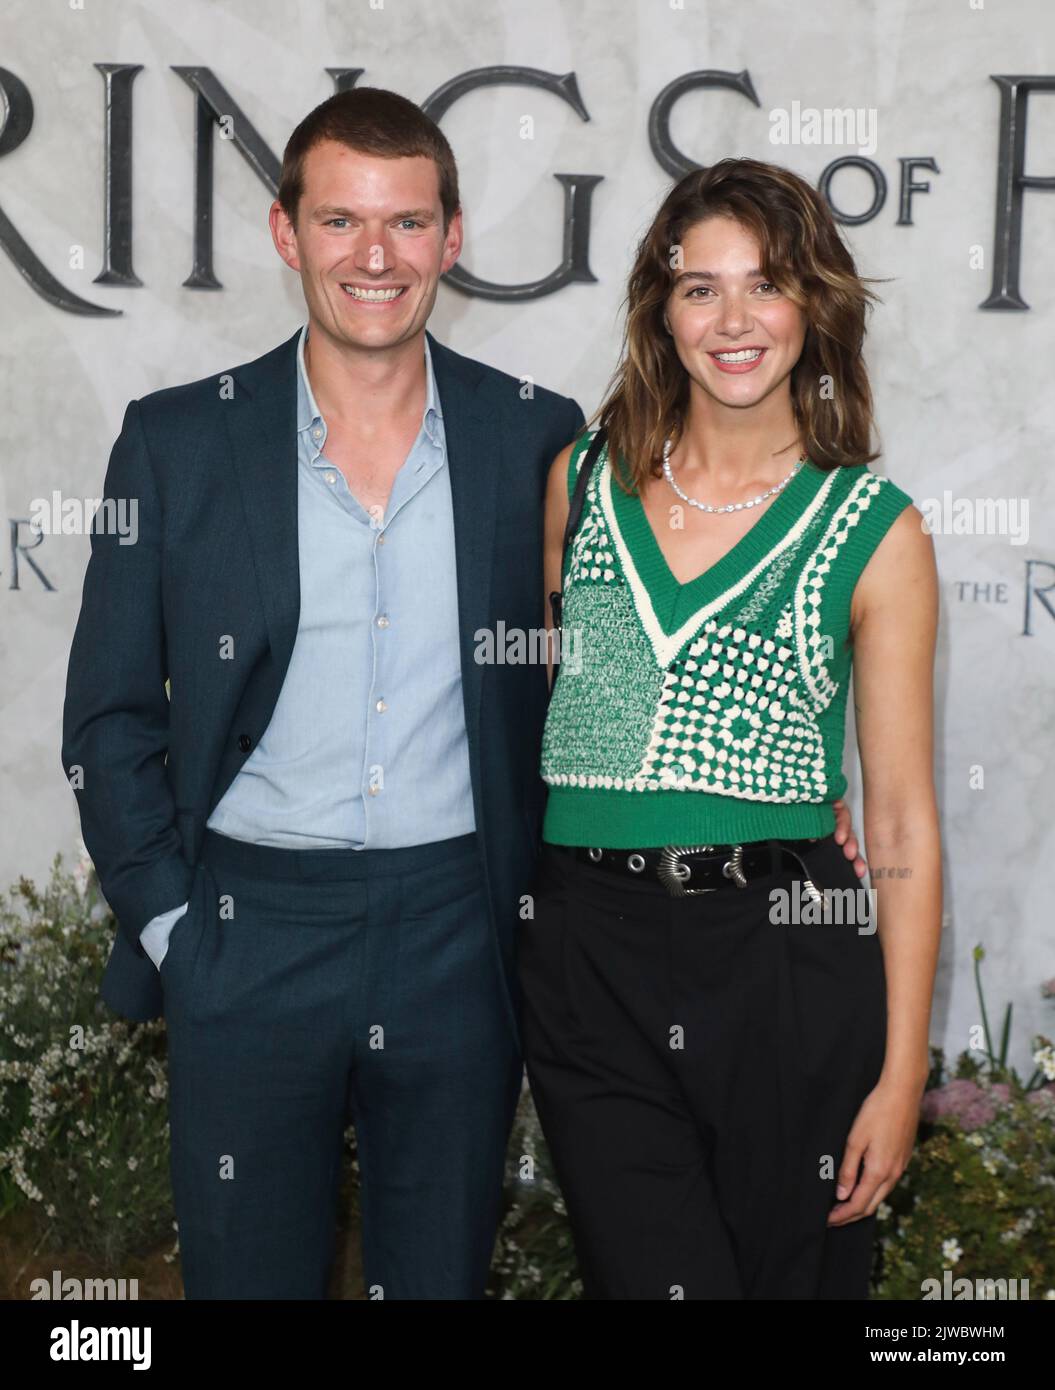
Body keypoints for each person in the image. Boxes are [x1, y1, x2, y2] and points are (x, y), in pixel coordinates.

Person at [59, 86, 587, 1300]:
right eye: (340, 220)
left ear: (452, 238)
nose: (373, 255)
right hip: (247, 929)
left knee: (438, 1277)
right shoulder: (179, 441)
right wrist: (171, 929)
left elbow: (601, 677)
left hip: (457, 927)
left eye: (406, 223)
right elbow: (110, 712)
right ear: (283, 232)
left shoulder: (535, 440)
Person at [517, 157, 942, 1300]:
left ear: (814, 306)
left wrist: (901, 1074)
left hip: (781, 956)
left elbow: (898, 814)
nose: (733, 319)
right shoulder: (580, 483)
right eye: (699, 288)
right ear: (661, 309)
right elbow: (572, 720)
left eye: (764, 284)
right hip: (585, 953)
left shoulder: (875, 531)